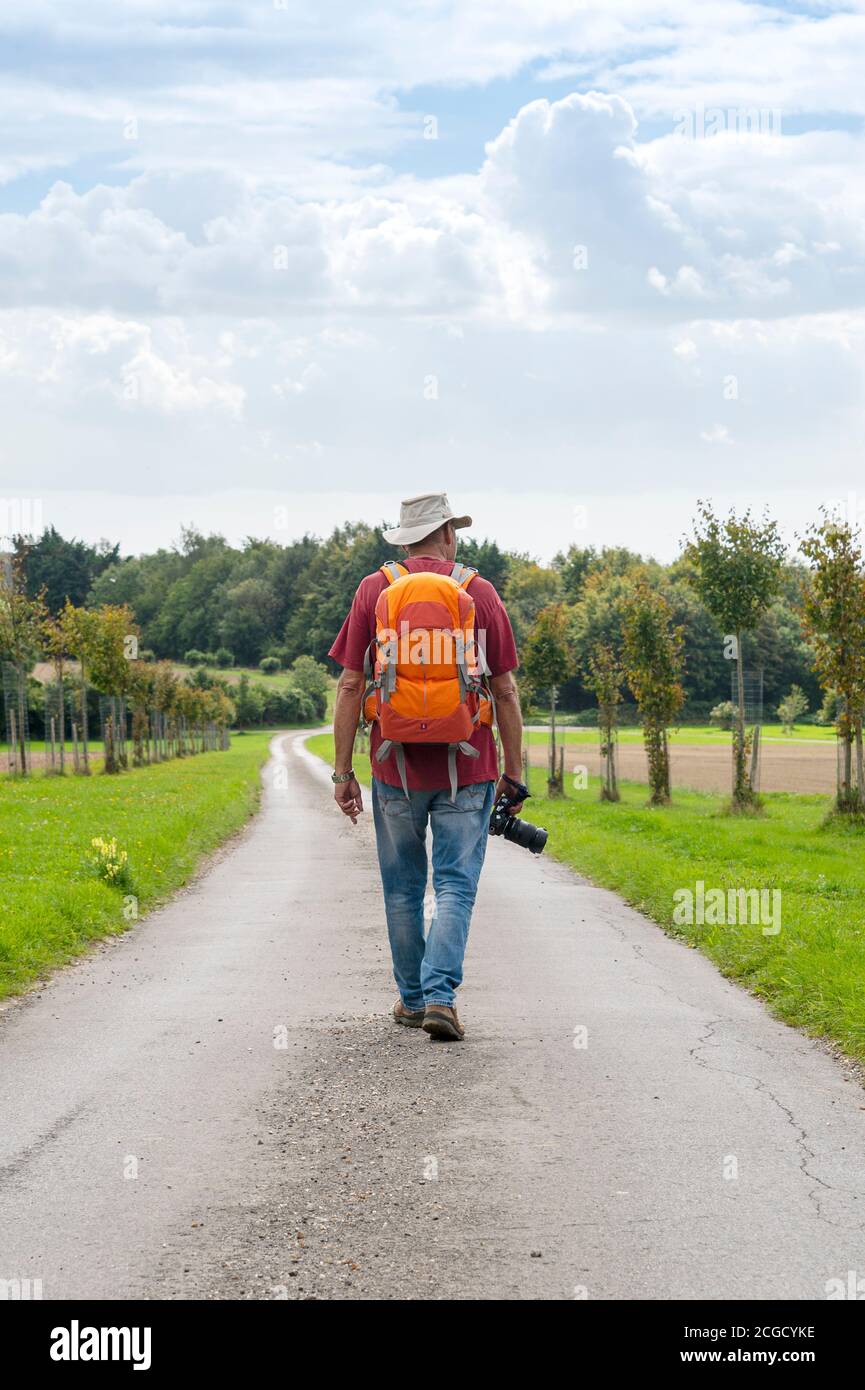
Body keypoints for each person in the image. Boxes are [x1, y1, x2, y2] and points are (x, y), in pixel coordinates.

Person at [328, 491, 523, 1041]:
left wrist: (343, 774)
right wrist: (514, 770)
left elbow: (350, 684)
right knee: (456, 885)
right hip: (471, 764)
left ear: (405, 538)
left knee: (402, 888)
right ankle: (442, 997)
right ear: (449, 534)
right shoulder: (479, 591)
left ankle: (413, 1000)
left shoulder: (374, 589)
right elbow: (505, 691)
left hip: (395, 769)